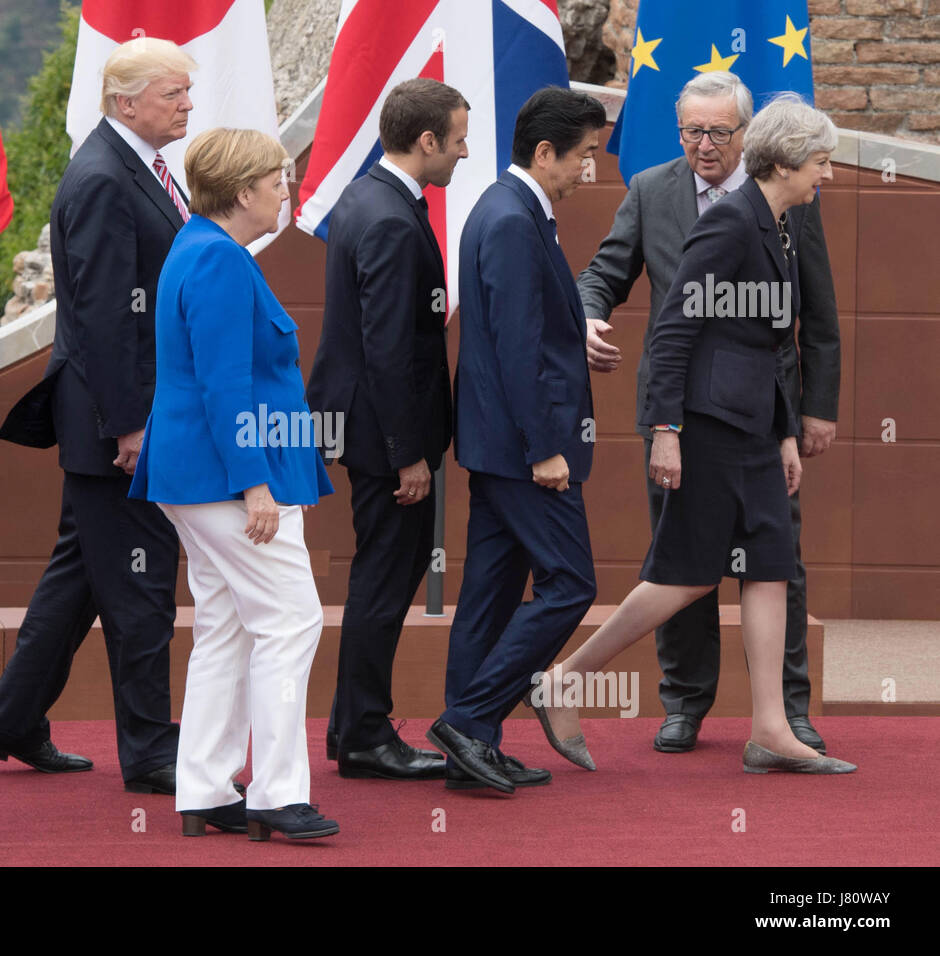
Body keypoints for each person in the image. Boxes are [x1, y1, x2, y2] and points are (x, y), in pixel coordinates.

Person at [536, 95, 855, 776]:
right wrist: (665, 428)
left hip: (756, 430)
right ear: (790, 160)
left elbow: (777, 340)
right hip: (705, 425)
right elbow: (677, 328)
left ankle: (771, 728)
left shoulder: (780, 221)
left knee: (770, 567)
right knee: (685, 574)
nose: (825, 176)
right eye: (821, 164)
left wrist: (786, 432)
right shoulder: (731, 225)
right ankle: (566, 679)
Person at [0, 38, 194, 793]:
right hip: (118, 425)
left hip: (114, 415)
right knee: (141, 585)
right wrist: (130, 424)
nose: (188, 105)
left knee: (80, 579)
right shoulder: (106, 176)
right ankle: (150, 752)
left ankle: (11, 720)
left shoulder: (133, 166)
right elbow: (105, 315)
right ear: (125, 101)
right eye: (174, 93)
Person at [129, 127, 338, 841]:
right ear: (244, 191)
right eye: (278, 181)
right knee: (291, 620)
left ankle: (207, 788)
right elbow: (226, 384)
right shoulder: (218, 259)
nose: (287, 191)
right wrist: (255, 486)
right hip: (229, 475)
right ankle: (276, 794)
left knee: (226, 626)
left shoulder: (200, 247)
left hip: (200, 472)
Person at [424, 87, 606, 794]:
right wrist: (543, 448)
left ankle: (472, 749)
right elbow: (513, 345)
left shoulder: (515, 211)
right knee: (570, 584)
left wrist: (577, 333)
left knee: (491, 595)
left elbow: (528, 331)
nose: (588, 169)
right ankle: (470, 721)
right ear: (543, 152)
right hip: (523, 451)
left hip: (503, 447)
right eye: (584, 155)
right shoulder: (509, 218)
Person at [306, 78, 465, 782]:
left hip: (365, 430)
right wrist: (409, 457)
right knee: (384, 581)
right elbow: (390, 350)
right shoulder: (396, 220)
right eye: (457, 140)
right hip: (386, 441)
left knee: (379, 576)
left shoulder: (368, 198)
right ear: (426, 140)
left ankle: (353, 727)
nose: (463, 153)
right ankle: (367, 734)